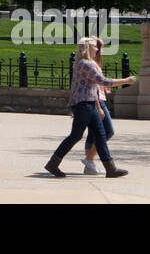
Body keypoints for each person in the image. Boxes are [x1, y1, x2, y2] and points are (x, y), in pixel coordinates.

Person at [45, 37, 136, 178]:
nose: (97, 49)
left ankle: (110, 168)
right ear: (87, 48)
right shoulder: (85, 64)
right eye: (95, 47)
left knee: (100, 135)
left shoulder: (85, 63)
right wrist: (126, 80)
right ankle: (53, 163)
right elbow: (103, 81)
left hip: (90, 103)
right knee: (76, 135)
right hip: (83, 105)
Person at [81, 36, 114, 175]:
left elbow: (98, 80)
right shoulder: (88, 63)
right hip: (97, 101)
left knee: (93, 134)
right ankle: (88, 159)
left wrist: (99, 46)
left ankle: (89, 166)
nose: (97, 49)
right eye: (95, 46)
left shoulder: (93, 62)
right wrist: (99, 108)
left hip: (100, 99)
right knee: (108, 131)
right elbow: (92, 87)